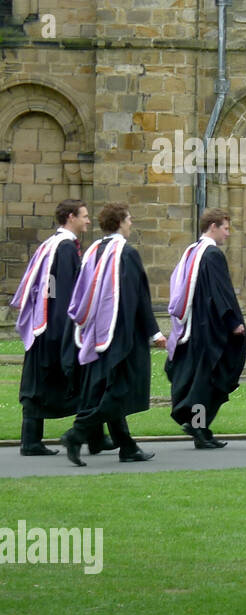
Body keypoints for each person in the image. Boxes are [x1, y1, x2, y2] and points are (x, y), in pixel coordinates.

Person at [59, 203, 166, 466]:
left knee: (111, 389)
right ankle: (77, 433)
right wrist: (154, 332)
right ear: (120, 222)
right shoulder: (126, 254)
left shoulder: (93, 251)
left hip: (94, 333)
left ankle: (127, 447)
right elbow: (138, 298)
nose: (131, 224)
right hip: (121, 336)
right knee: (120, 391)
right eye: (129, 219)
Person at [9, 199, 113, 457]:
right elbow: (65, 294)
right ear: (71, 217)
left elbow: (49, 290)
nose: (88, 221)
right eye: (85, 216)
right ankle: (92, 437)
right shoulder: (65, 248)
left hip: (43, 327)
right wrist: (69, 329)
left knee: (40, 385)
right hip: (56, 329)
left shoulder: (50, 244)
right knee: (83, 380)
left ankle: (33, 441)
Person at [165, 208, 246, 448]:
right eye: (225, 228)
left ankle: (201, 427)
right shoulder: (211, 254)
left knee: (205, 381)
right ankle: (197, 426)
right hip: (210, 330)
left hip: (194, 327)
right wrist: (233, 322)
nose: (228, 234)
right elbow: (219, 291)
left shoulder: (191, 252)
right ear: (213, 226)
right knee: (209, 381)